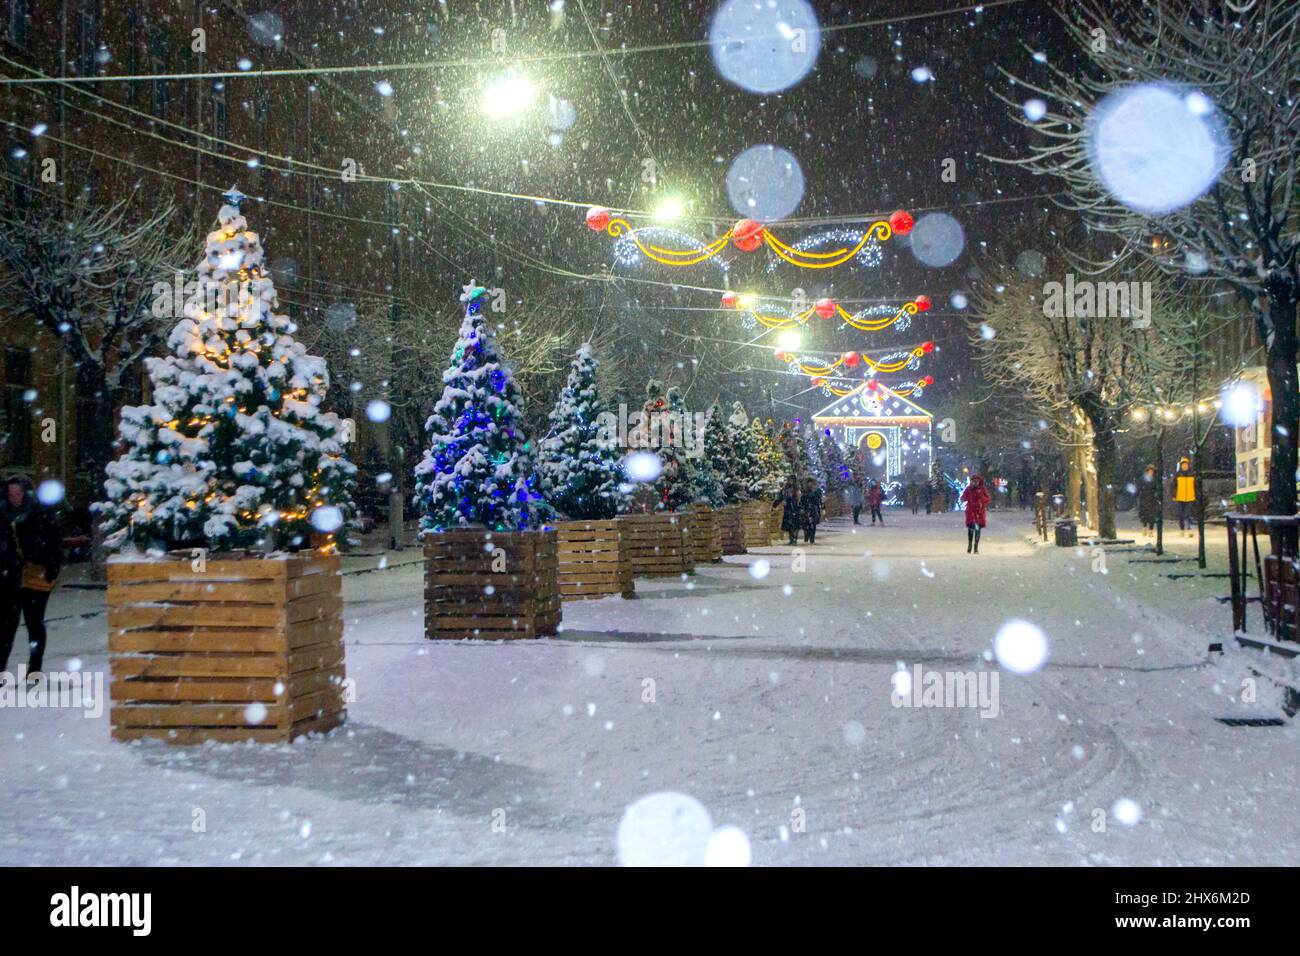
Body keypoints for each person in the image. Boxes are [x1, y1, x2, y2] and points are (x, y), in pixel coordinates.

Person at [1, 474, 62, 684]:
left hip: (35, 575)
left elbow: (53, 542)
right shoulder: (4, 514)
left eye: (18, 493)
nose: (14, 498)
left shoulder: (41, 513)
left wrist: (50, 567)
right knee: (6, 625)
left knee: (34, 623)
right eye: (11, 494)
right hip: (9, 577)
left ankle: (34, 669)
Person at [960, 474, 991, 554]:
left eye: (976, 481)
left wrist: (982, 501)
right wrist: (966, 499)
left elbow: (987, 499)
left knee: (977, 529)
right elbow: (963, 497)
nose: (975, 483)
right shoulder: (969, 489)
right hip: (971, 512)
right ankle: (970, 545)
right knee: (971, 529)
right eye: (974, 481)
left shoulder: (982, 489)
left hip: (979, 512)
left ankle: (975, 547)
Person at [1171, 457, 1195, 534]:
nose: (1184, 466)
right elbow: (1173, 486)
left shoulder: (1192, 474)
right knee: (1180, 515)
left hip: (1190, 497)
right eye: (1183, 465)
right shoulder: (1178, 475)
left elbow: (1196, 486)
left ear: (1188, 465)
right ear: (1181, 466)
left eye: (1186, 464)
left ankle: (1190, 528)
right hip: (1180, 497)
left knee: (1189, 514)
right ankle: (1182, 529)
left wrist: (1197, 494)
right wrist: (1174, 495)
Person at [775, 478, 801, 546]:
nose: (790, 481)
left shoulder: (796, 489)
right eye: (789, 480)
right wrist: (776, 504)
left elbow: (799, 499)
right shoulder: (785, 489)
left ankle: (794, 539)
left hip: (795, 509)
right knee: (789, 526)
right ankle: (791, 539)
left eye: (791, 480)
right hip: (788, 509)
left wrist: (797, 505)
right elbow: (780, 497)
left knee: (794, 526)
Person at [1137, 464, 1160, 534]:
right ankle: (1144, 528)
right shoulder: (1143, 479)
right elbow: (1139, 488)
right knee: (1145, 515)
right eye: (1149, 471)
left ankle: (1150, 530)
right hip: (1144, 499)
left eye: (1152, 471)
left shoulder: (1155, 479)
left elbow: (1158, 489)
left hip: (1152, 499)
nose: (1150, 472)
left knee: (1152, 516)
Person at [800, 476, 823, 544]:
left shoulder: (817, 491)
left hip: (813, 509)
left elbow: (819, 500)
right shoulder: (804, 491)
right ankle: (806, 537)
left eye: (811, 483)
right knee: (806, 524)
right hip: (806, 509)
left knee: (813, 524)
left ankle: (812, 538)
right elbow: (802, 500)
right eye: (808, 483)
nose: (810, 484)